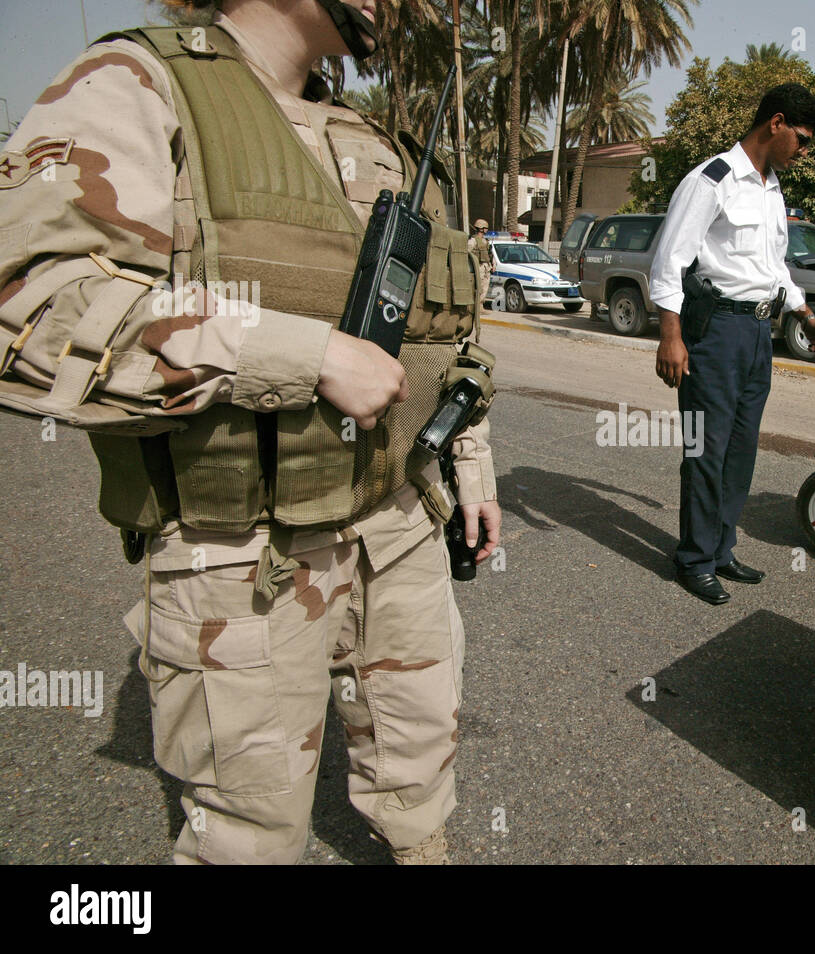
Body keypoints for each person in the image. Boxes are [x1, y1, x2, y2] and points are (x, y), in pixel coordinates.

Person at [0, 0, 501, 864]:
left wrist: (469, 462)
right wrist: (295, 354)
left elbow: (443, 337)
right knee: (249, 824)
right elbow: (28, 303)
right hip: (243, 548)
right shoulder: (137, 87)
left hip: (397, 521)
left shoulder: (375, 140)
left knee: (418, 757)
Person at [650, 83, 815, 605]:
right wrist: (670, 335)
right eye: (801, 138)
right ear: (775, 123)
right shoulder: (713, 180)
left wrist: (802, 309)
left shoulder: (772, 189)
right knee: (706, 448)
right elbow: (670, 259)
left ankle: (722, 548)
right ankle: (694, 559)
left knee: (740, 449)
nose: (803, 151)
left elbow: (773, 266)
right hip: (715, 332)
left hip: (757, 331)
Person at [468, 218, 493, 299]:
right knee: (479, 286)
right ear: (481, 228)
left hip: (487, 267)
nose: (486, 229)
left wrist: (493, 264)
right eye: (485, 228)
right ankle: (477, 306)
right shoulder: (473, 240)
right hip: (479, 266)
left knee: (485, 286)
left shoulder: (486, 241)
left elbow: (490, 254)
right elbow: (468, 252)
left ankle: (481, 304)